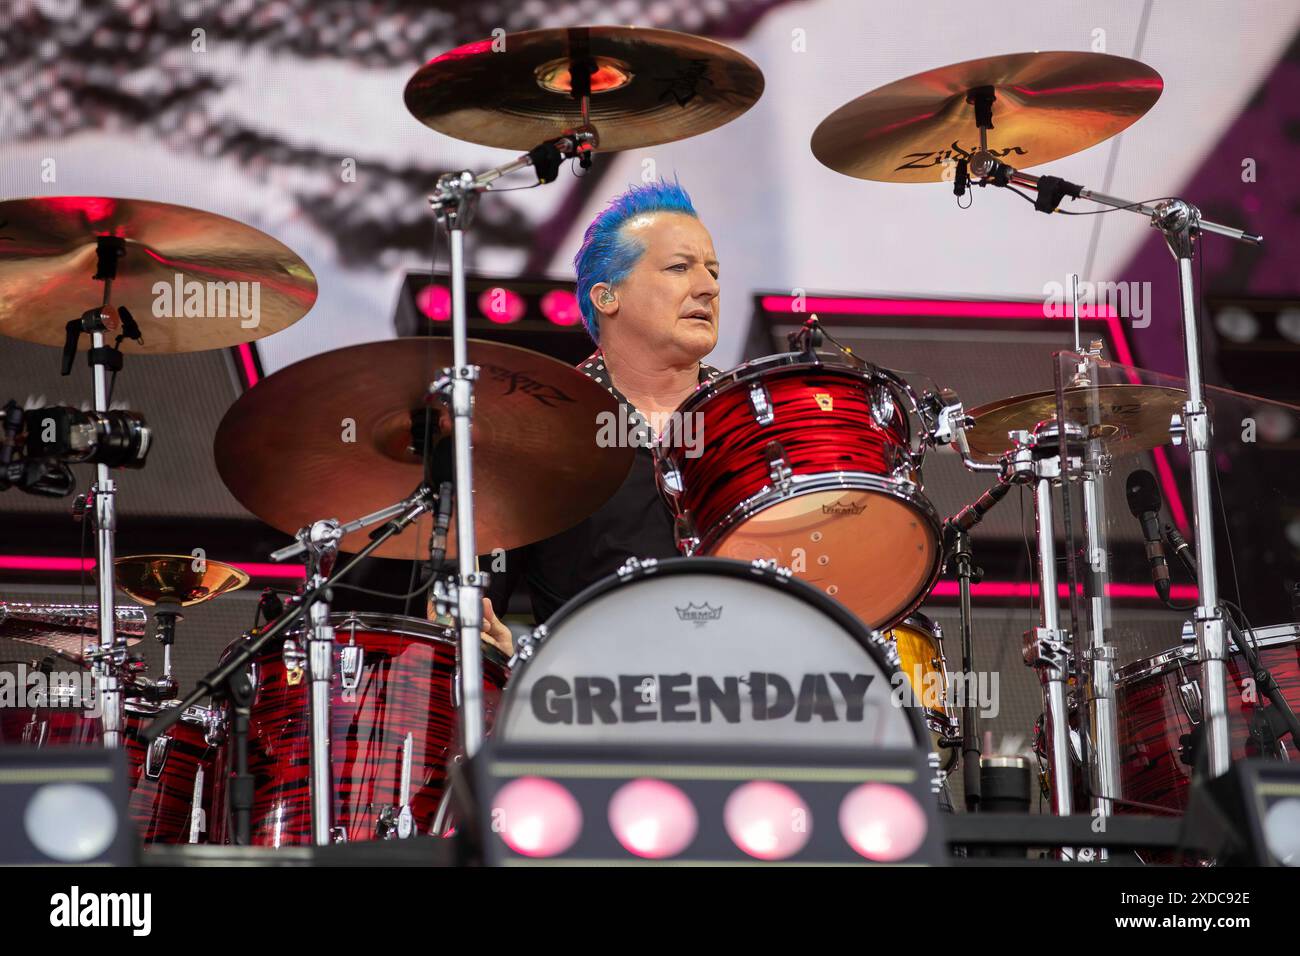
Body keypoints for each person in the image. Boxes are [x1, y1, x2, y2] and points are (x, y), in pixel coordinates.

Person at [471, 177, 723, 655]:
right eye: (679, 267)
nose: (708, 287)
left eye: (713, 271)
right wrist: (501, 657)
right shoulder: (542, 427)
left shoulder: (754, 418)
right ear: (607, 297)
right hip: (592, 708)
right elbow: (470, 614)